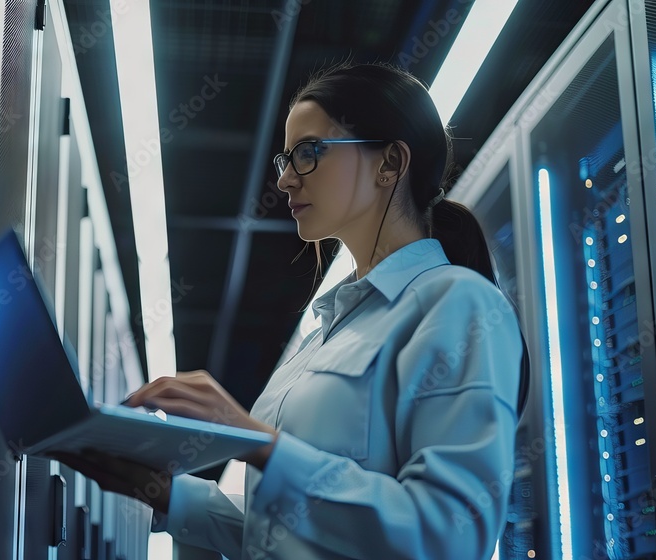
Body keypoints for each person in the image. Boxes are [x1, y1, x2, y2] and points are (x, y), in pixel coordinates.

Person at [56, 61, 527, 559]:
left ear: (390, 162)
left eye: (308, 153)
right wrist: (168, 495)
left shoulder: (458, 305)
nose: (285, 182)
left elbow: (449, 536)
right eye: (286, 160)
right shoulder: (321, 336)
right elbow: (292, 535)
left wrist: (255, 440)